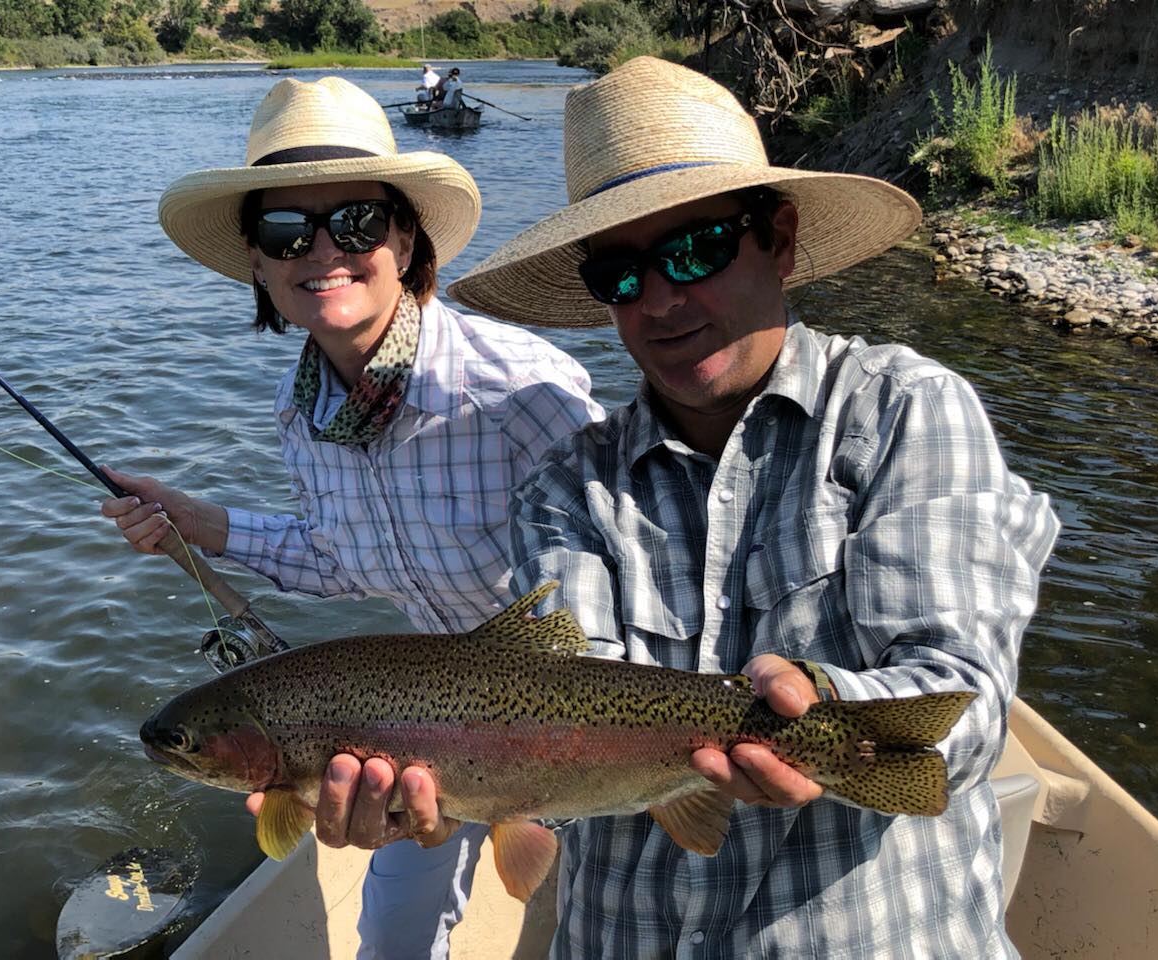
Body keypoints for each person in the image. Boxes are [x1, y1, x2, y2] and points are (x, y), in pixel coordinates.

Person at [443, 57, 1061, 956]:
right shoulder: (565, 486)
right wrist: (458, 785)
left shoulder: (903, 412)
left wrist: (822, 714)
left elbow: (957, 718)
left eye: (693, 250)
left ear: (779, 238)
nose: (659, 300)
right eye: (620, 274)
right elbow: (566, 715)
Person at [100, 76, 602, 958]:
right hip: (413, 731)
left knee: (601, 928)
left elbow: (635, 572)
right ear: (258, 260)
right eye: (287, 230)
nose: (324, 249)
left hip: (571, 713)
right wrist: (200, 524)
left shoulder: (522, 390)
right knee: (392, 938)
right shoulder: (305, 416)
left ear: (407, 239)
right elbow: (347, 560)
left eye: (359, 222)